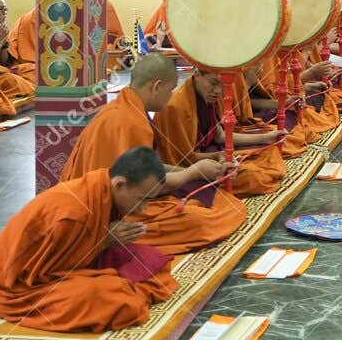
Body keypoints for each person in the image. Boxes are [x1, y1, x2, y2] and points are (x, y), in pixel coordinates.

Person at [58, 54, 247, 254]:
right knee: (205, 221)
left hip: (116, 199)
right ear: (156, 87)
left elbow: (149, 168)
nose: (172, 95)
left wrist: (196, 171)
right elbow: (139, 185)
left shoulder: (126, 108)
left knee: (219, 206)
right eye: (170, 89)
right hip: (102, 216)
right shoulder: (131, 122)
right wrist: (191, 173)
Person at [0, 146, 179, 333]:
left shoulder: (103, 186)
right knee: (123, 301)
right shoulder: (74, 215)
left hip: (69, 261)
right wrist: (102, 242)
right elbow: (49, 272)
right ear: (119, 184)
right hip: (21, 286)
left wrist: (103, 241)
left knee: (152, 261)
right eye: (142, 199)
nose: (145, 208)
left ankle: (121, 286)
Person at [153, 68, 286, 195]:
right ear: (197, 75)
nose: (218, 91)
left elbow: (220, 136)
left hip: (207, 155)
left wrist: (265, 138)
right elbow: (180, 159)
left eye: (223, 85)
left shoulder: (209, 96)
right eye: (213, 83)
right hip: (185, 169)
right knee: (253, 176)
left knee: (267, 152)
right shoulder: (175, 107)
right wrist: (210, 164)